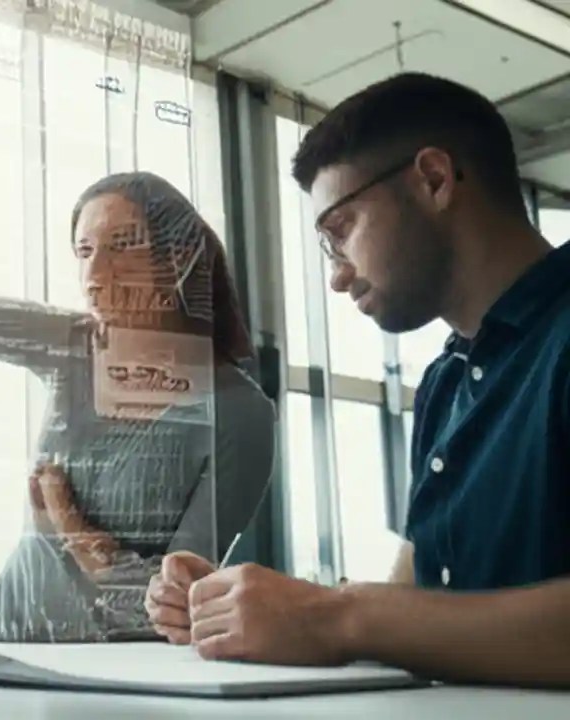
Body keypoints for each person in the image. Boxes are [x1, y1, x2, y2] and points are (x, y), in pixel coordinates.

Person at [145, 72, 570, 687]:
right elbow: (416, 601)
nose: (338, 277)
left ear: (434, 178)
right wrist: (250, 608)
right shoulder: (446, 383)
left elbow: (373, 619)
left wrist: (335, 618)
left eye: (340, 230)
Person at [0, 172, 277, 642]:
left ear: (179, 258)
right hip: (2, 648)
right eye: (85, 251)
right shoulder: (73, 344)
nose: (94, 276)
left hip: (119, 680)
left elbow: (175, 606)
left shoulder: (238, 413)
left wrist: (68, 525)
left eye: (122, 246)